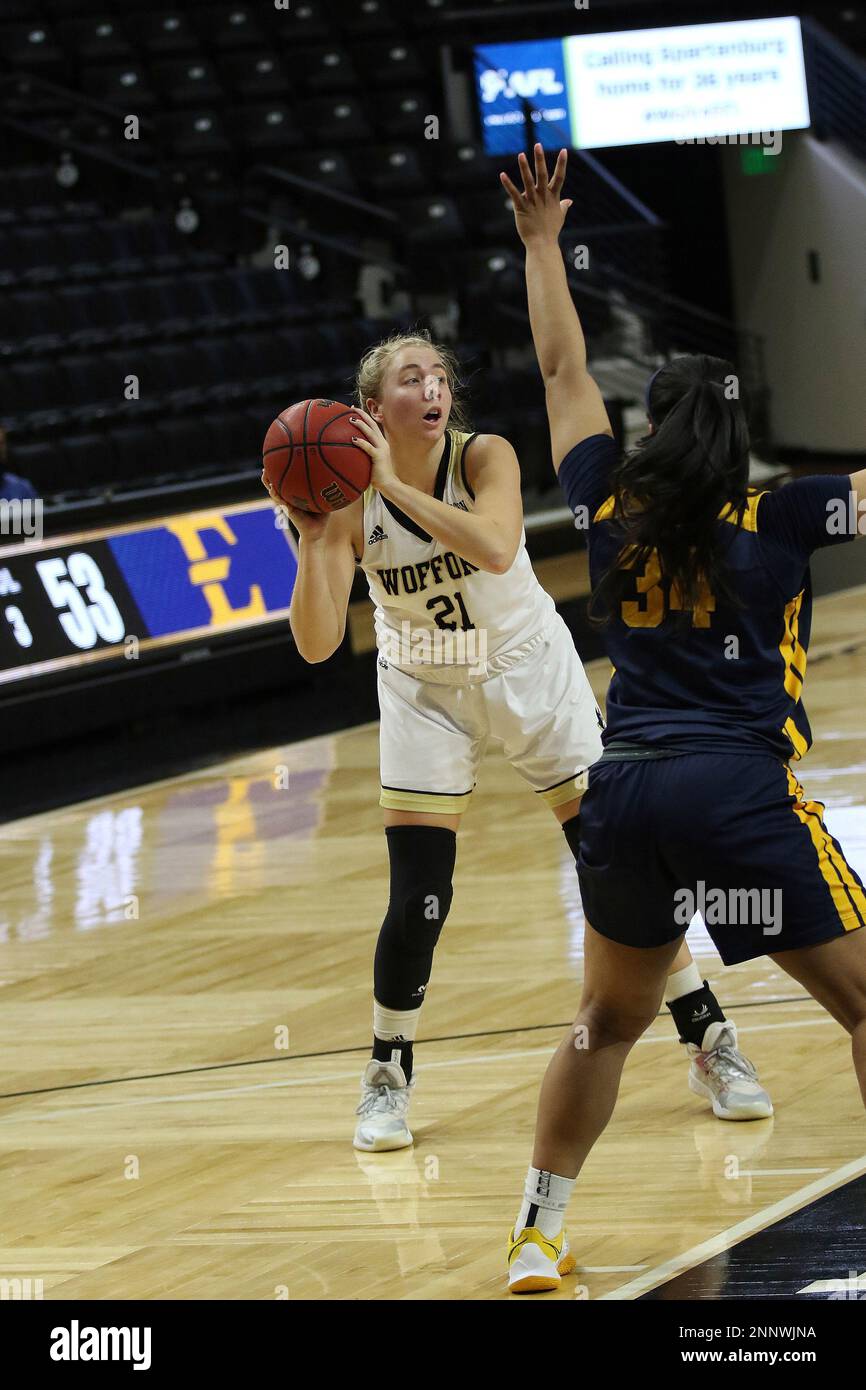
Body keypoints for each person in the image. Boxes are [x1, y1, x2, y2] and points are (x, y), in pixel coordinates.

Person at [499, 144, 866, 1293]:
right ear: (735, 427)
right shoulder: (787, 509)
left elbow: (561, 367)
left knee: (604, 1022)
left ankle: (536, 1230)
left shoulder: (605, 503)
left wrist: (542, 244)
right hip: (735, 803)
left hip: (627, 803)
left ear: (648, 430)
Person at [263, 327, 770, 1158]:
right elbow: (317, 645)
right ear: (369, 409)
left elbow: (497, 548)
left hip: (528, 670)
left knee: (618, 870)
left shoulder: (483, 457)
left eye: (438, 375)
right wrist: (311, 532)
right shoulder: (346, 499)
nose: (430, 388)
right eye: (409, 379)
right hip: (424, 683)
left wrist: (390, 482)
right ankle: (387, 1073)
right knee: (419, 894)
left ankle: (709, 1040)